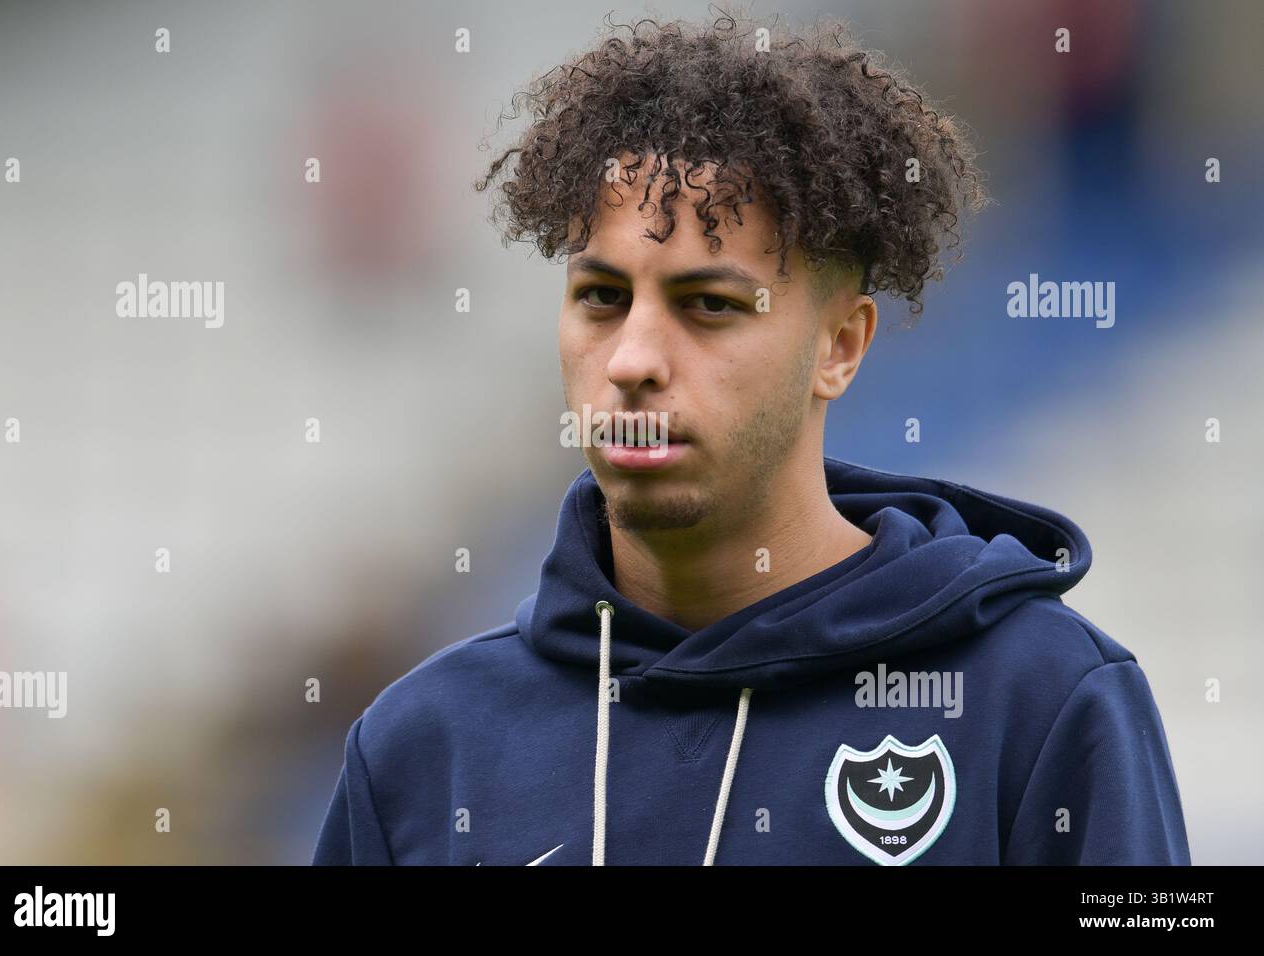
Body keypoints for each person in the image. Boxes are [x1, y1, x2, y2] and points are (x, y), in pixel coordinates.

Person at [312, 12, 1189, 865]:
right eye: (601, 298)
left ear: (839, 347)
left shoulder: (1038, 700)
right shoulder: (422, 749)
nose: (633, 360)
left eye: (710, 306)